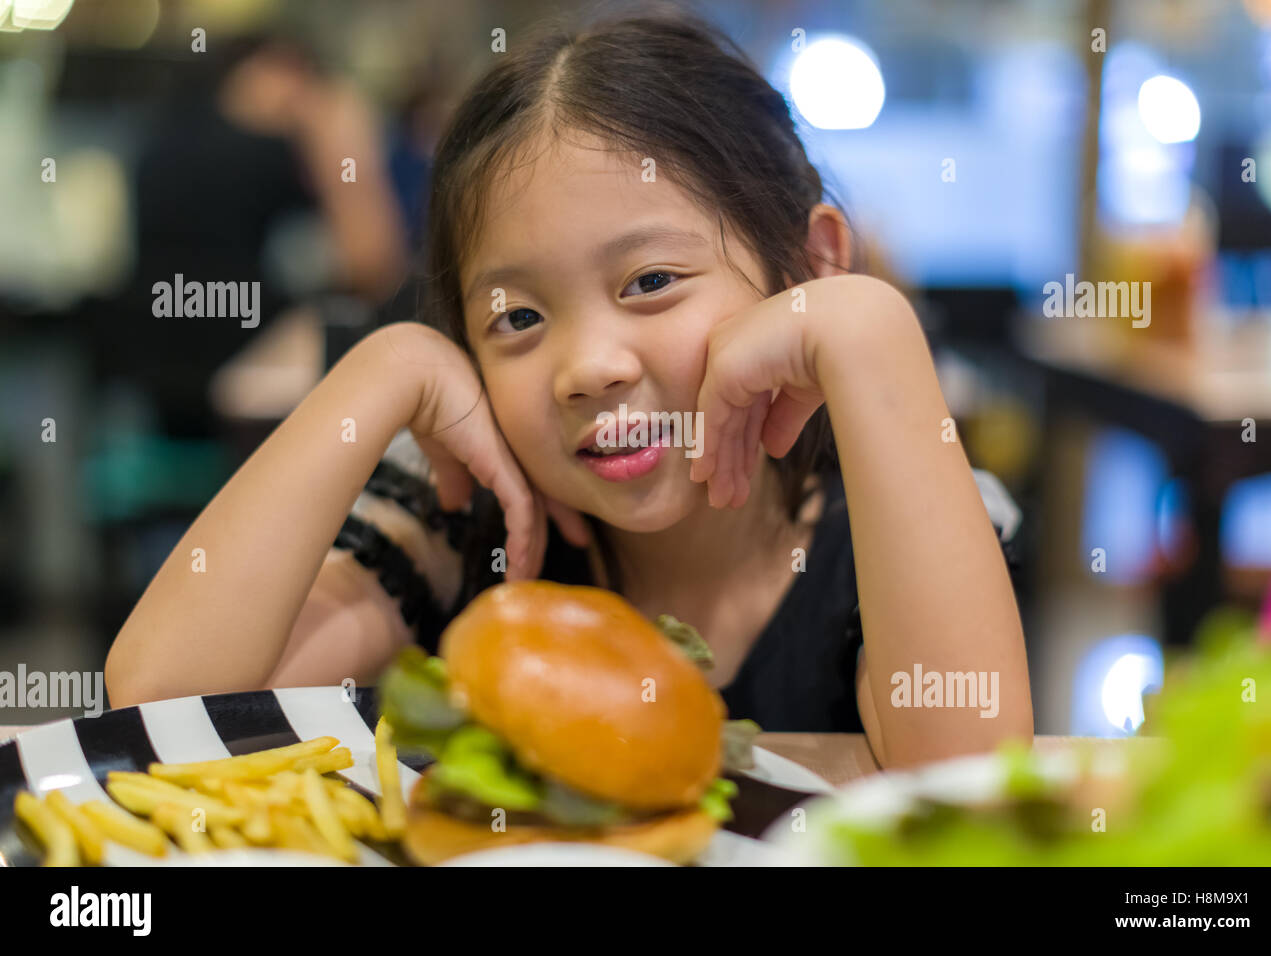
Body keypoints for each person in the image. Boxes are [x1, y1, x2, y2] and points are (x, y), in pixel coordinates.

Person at [106, 10, 1033, 770]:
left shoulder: (893, 522)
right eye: (516, 317)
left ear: (806, 267)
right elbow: (157, 707)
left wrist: (869, 331)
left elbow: (970, 780)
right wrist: (384, 368)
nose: (589, 366)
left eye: (651, 283)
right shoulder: (463, 518)